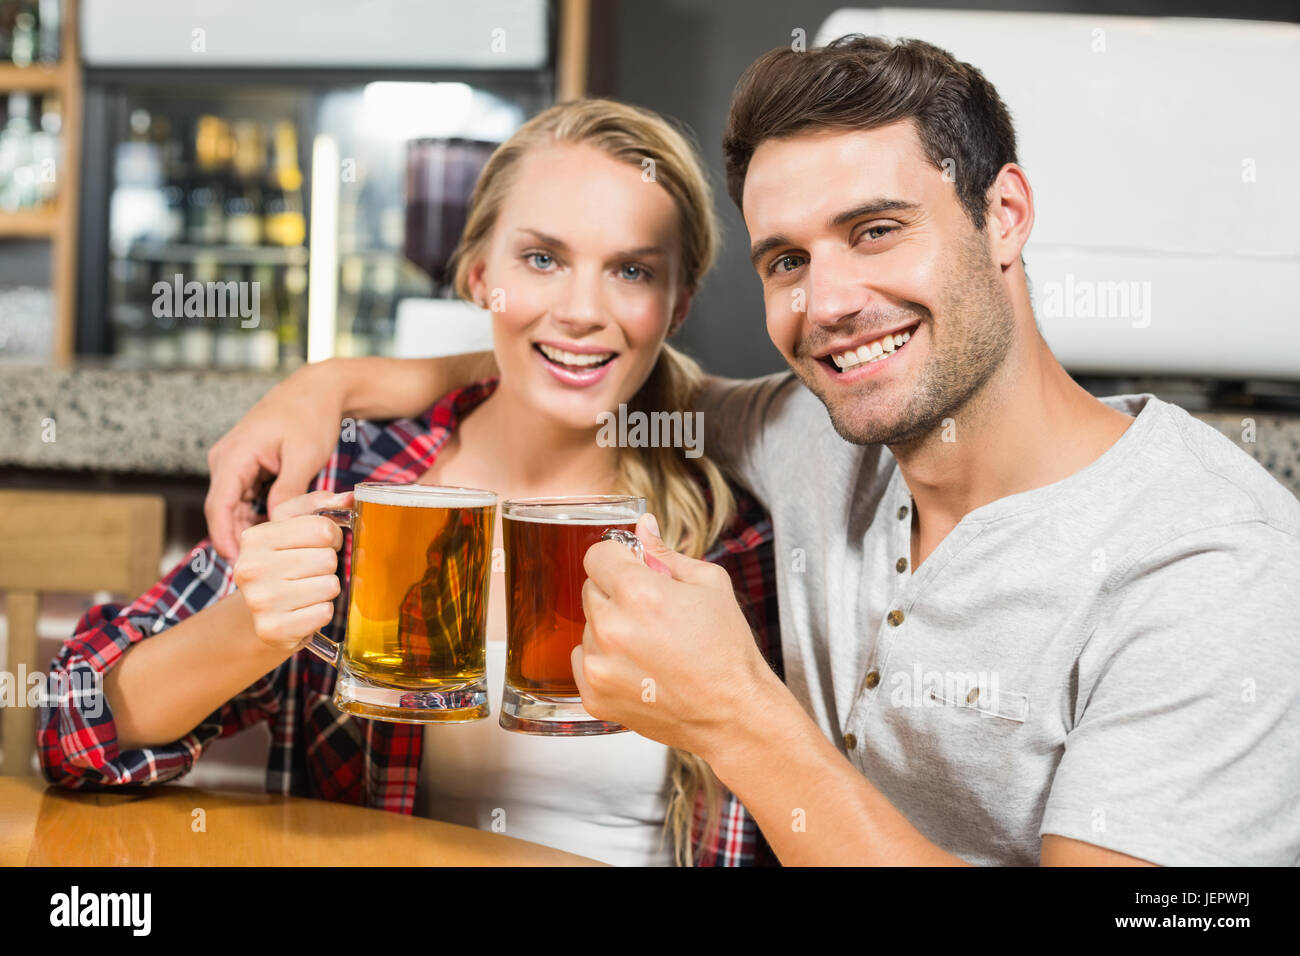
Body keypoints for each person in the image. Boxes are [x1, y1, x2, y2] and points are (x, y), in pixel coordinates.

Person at [206, 35, 1300, 867]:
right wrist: (339, 383)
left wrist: (737, 713)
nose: (829, 302)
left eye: (876, 230)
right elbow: (592, 364)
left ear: (1003, 213)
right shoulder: (816, 433)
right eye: (785, 258)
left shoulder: (1213, 569)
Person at [38, 98, 785, 868]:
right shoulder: (363, 480)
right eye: (541, 259)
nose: (582, 311)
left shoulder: (725, 531)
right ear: (476, 275)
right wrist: (250, 630)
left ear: (677, 304)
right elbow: (72, 729)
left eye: (632, 271)